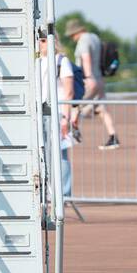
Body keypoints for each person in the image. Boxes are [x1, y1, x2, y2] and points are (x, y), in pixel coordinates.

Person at [64, 17, 119, 150]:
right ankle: (113, 136)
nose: (72, 38)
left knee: (75, 104)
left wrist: (88, 77)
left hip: (88, 79)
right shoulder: (95, 37)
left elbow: (86, 58)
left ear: (76, 32)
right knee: (102, 108)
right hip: (100, 78)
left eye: (72, 35)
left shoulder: (83, 40)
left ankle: (72, 132)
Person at [36, 35, 75, 197]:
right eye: (40, 40)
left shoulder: (61, 61)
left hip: (58, 111)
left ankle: (64, 193)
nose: (41, 44)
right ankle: (45, 191)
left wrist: (66, 117)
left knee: (61, 153)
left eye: (44, 40)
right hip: (40, 111)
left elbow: (69, 91)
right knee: (42, 153)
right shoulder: (37, 61)